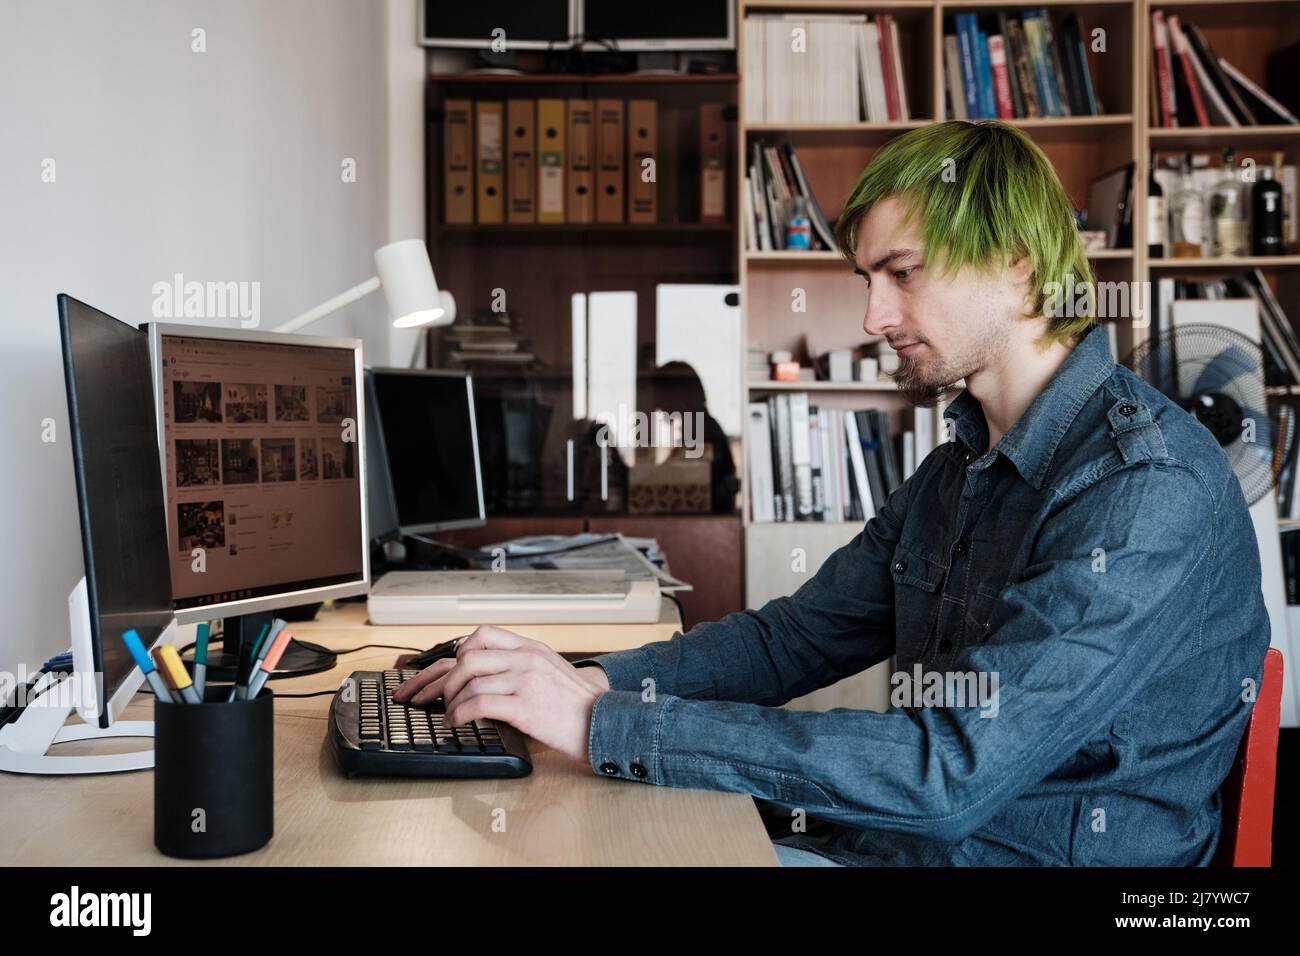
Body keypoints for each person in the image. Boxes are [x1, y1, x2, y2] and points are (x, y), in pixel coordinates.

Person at [394, 121, 1270, 866]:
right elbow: (791, 643)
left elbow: (949, 770)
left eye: (903, 273)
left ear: (1015, 265)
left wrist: (605, 723)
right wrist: (565, 682)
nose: (873, 319)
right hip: (909, 841)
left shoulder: (1143, 489)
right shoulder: (958, 464)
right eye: (865, 280)